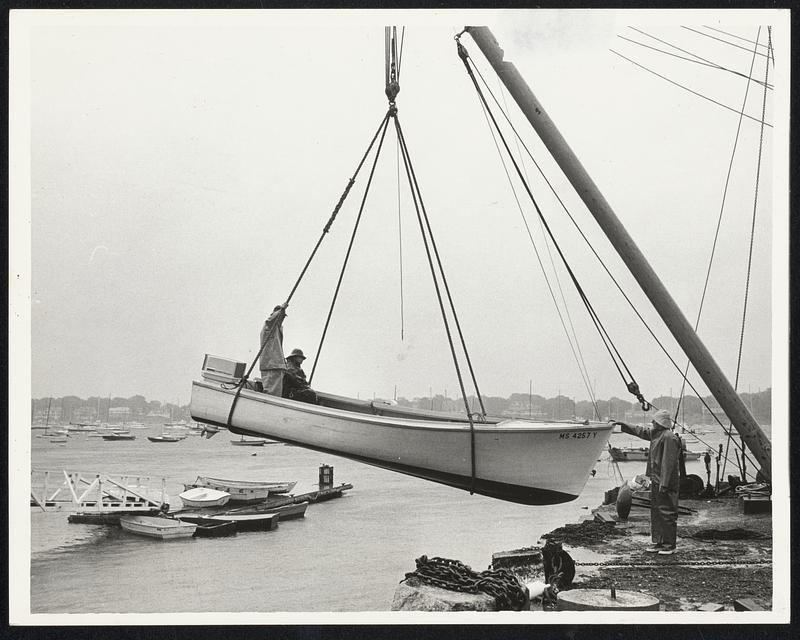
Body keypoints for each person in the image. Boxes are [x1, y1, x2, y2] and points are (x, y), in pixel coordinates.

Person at [612, 409, 681, 555]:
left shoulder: (669, 437)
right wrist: (622, 424)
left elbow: (669, 464)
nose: (652, 423)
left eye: (654, 421)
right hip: (656, 480)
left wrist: (665, 483)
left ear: (660, 423)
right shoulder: (656, 434)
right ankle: (658, 542)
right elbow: (640, 431)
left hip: (665, 482)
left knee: (667, 513)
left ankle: (669, 545)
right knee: (656, 512)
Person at [259, 303, 288, 396]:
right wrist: (282, 309)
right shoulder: (269, 326)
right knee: (271, 394)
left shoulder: (276, 328)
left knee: (275, 393)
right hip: (271, 365)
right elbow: (270, 321)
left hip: (275, 365)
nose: (283, 318)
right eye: (281, 316)